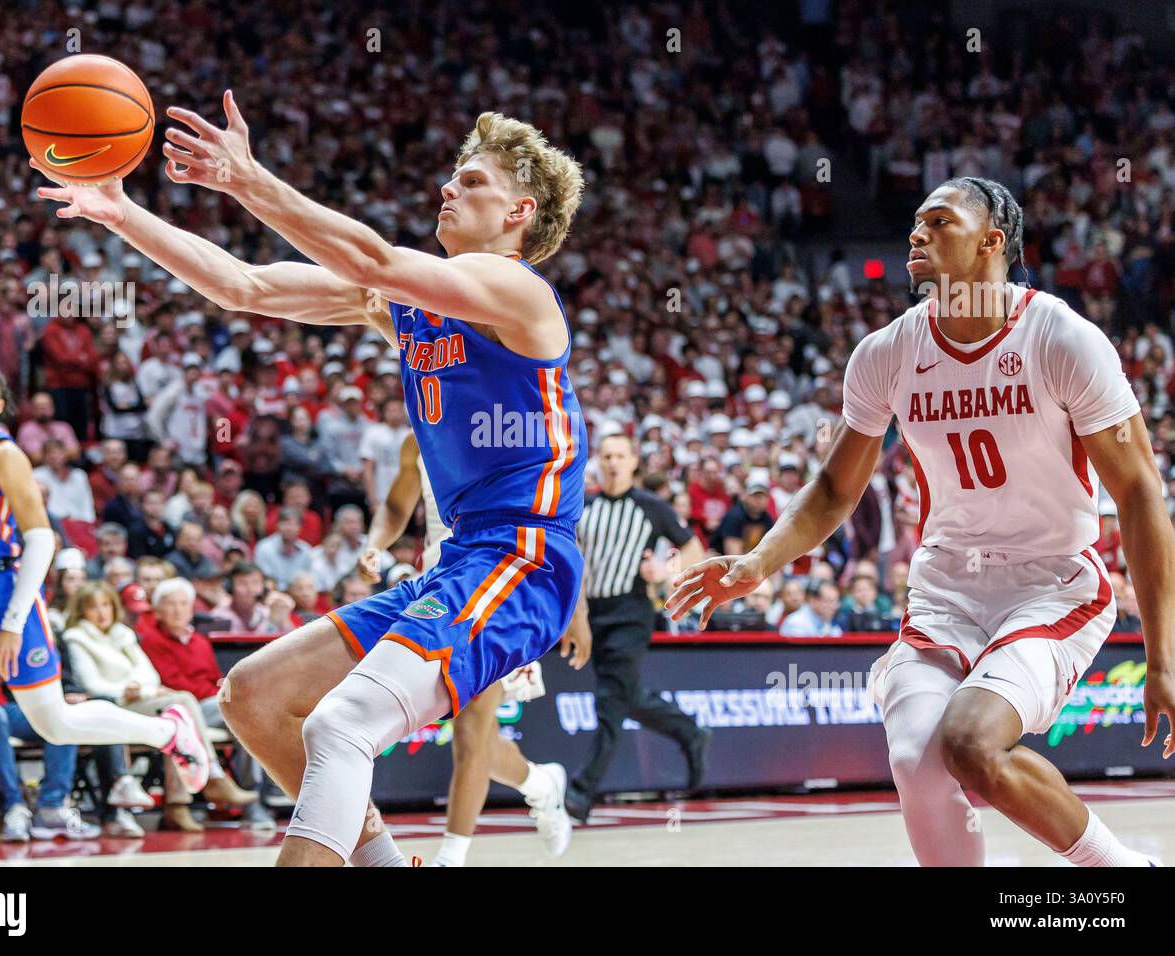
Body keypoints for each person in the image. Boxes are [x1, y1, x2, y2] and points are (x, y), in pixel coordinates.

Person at [35, 102, 587, 866]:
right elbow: (246, 286)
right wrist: (121, 212)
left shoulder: (516, 291)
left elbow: (371, 259)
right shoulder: (411, 304)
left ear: (519, 211)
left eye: (471, 181)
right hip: (464, 560)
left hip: (522, 558)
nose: (445, 191)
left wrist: (246, 178)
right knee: (253, 699)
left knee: (339, 725)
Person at [668, 177, 1175, 867]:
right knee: (914, 758)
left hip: (1050, 585)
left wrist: (1161, 656)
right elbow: (830, 490)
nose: (916, 234)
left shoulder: (1061, 337)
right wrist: (758, 562)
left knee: (969, 743)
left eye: (939, 221)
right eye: (913, 222)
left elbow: (1142, 496)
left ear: (993, 240)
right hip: (945, 591)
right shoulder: (887, 353)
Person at [0, 362, 210, 868]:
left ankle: (167, 732)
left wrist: (11, 624)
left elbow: (39, 539)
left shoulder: (4, 455)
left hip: (7, 595)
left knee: (54, 724)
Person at [358, 432, 585, 864]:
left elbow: (559, 521)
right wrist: (374, 544)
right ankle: (540, 784)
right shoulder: (419, 436)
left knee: (470, 734)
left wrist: (580, 612)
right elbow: (394, 507)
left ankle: (451, 857)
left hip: (501, 585)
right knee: (473, 736)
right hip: (437, 588)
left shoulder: (511, 426)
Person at [565, 433, 709, 823]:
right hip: (590, 613)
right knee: (626, 697)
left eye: (620, 456)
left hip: (631, 614)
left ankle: (580, 791)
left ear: (633, 462)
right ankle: (688, 732)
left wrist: (666, 571)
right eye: (607, 455)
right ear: (598, 461)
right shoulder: (584, 506)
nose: (613, 462)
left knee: (610, 703)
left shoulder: (651, 506)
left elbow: (692, 549)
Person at [63, 581, 256, 831]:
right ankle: (213, 776)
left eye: (105, 605)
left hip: (141, 700)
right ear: (81, 611)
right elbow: (92, 684)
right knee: (182, 702)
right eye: (92, 607)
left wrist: (141, 689)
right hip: (115, 706)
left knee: (181, 720)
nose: (101, 613)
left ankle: (182, 804)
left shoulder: (123, 635)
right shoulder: (77, 638)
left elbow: (149, 676)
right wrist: (133, 689)